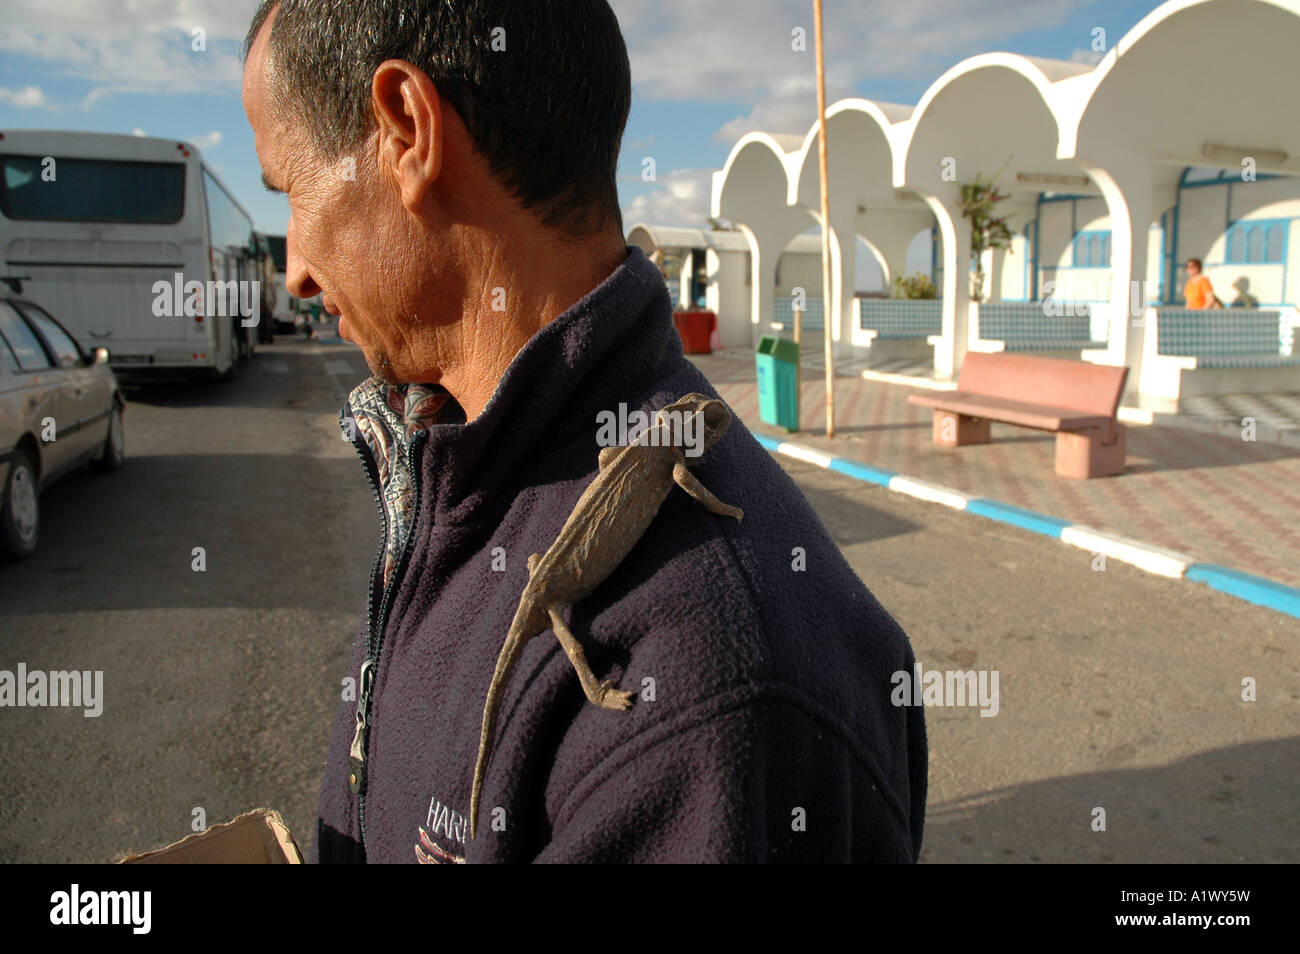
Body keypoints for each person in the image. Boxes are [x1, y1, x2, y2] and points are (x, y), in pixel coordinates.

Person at [242, 0, 926, 864]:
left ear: (407, 130)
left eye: (291, 189)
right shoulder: (455, 464)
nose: (295, 267)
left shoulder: (711, 691)